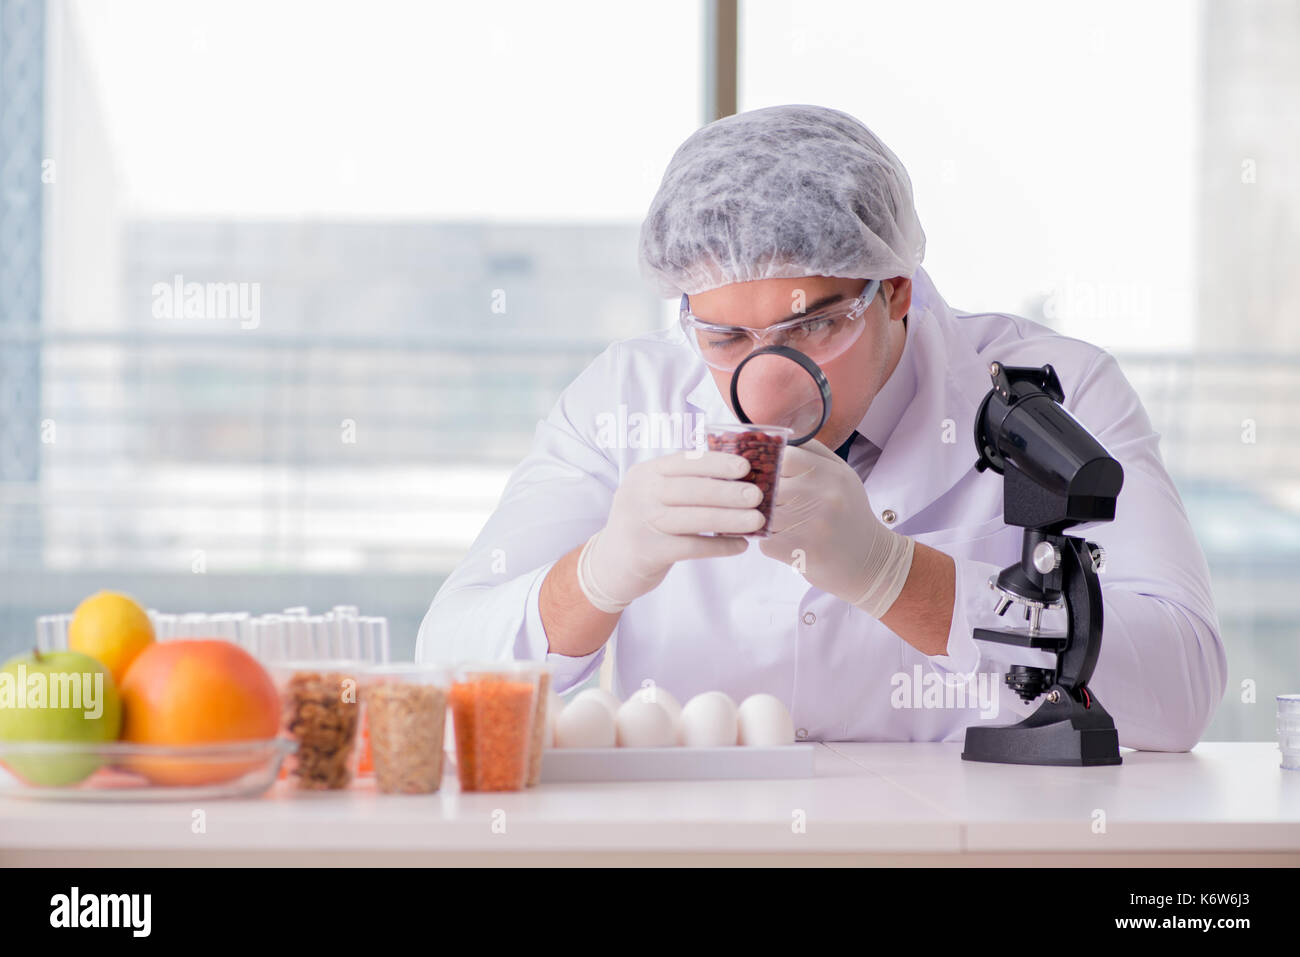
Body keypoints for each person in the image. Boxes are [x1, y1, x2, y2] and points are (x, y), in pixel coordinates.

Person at [416, 104, 1225, 750]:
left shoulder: (1055, 389)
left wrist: (897, 576)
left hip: (966, 847)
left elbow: (1181, 688)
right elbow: (444, 671)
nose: (765, 385)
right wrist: (599, 573)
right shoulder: (625, 401)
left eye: (810, 328)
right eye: (725, 337)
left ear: (897, 289)